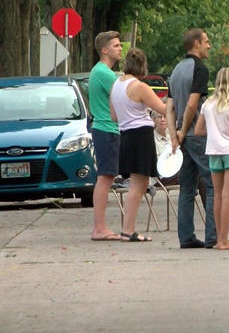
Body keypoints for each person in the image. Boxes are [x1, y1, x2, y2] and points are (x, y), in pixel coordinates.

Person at [166, 28, 216, 249]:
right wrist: (185, 130)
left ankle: (186, 236)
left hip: (180, 136)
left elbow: (169, 107)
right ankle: (214, 236)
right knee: (212, 184)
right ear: (196, 43)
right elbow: (192, 103)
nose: (209, 45)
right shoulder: (200, 69)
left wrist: (174, 135)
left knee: (186, 187)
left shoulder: (176, 70)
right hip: (196, 133)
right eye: (206, 42)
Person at [110, 48, 166, 242]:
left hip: (125, 134)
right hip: (140, 136)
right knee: (138, 185)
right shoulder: (140, 87)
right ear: (143, 66)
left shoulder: (116, 84)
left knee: (137, 183)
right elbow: (162, 108)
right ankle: (128, 230)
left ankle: (128, 228)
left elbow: (113, 116)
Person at [194, 67, 229, 250]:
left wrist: (215, 132)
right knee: (228, 195)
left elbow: (198, 130)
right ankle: (225, 240)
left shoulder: (207, 104)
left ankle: (218, 239)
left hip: (213, 152)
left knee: (216, 194)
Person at [89, 31, 124, 241]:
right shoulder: (104, 73)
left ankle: (100, 227)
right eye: (116, 45)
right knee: (105, 178)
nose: (120, 48)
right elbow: (127, 95)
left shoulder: (101, 72)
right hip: (106, 129)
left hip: (107, 129)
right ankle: (99, 228)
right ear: (105, 50)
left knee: (107, 177)